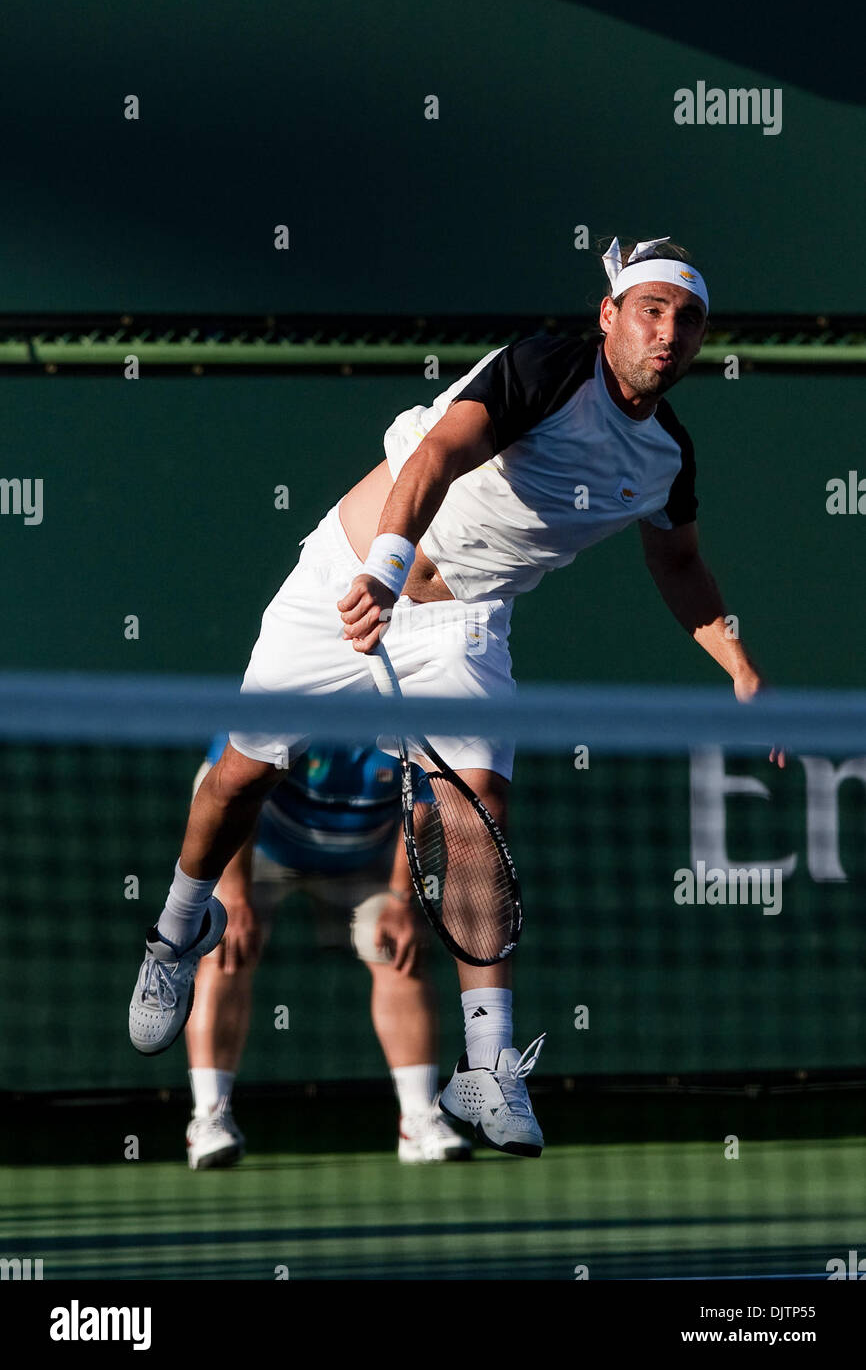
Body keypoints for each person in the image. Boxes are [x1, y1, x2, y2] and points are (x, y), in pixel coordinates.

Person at [130, 235, 781, 1158]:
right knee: (240, 776)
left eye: (687, 319)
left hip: (464, 624)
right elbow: (435, 455)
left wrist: (740, 665)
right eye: (651, 309)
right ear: (612, 316)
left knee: (477, 814)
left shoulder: (668, 456)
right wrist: (387, 573)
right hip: (350, 575)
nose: (668, 332)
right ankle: (173, 932)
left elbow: (679, 563)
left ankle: (486, 1070)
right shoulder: (546, 369)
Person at [183, 737, 471, 1168]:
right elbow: (228, 792)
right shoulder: (287, 697)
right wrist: (235, 896)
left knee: (398, 952)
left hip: (366, 861)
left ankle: (418, 1120)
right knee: (224, 950)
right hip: (262, 850)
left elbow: (423, 805)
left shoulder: (406, 709)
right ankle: (208, 1119)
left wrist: (400, 901)